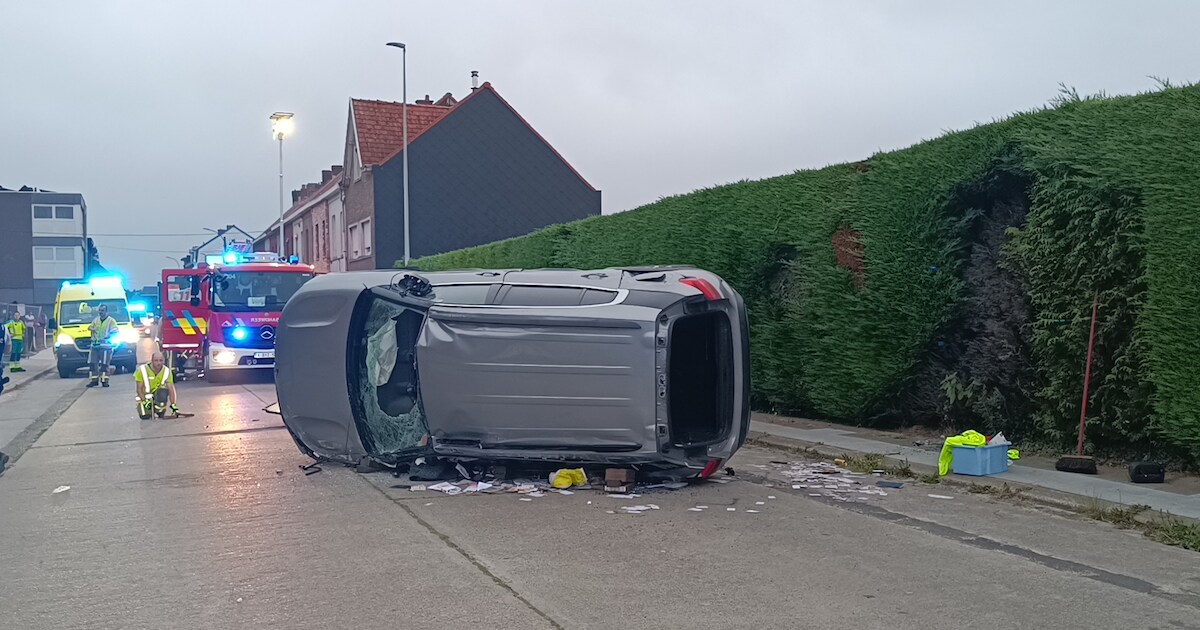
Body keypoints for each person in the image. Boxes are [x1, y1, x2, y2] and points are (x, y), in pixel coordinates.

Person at [135, 351, 179, 419]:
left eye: (161, 360)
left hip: (158, 395)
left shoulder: (166, 371)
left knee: (163, 391)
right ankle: (147, 411)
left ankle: (160, 410)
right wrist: (144, 402)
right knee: (145, 416)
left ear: (163, 361)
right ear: (152, 361)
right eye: (156, 360)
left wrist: (173, 405)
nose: (159, 363)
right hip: (145, 397)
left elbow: (171, 389)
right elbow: (139, 389)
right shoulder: (142, 370)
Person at [87, 303, 119, 388]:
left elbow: (115, 330)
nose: (100, 312)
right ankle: (94, 380)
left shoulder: (111, 321)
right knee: (92, 363)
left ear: (106, 311)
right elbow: (90, 327)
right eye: (100, 310)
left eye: (102, 310)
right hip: (95, 345)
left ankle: (105, 380)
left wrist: (109, 335)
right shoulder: (96, 320)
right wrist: (91, 328)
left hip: (106, 346)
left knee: (104, 364)